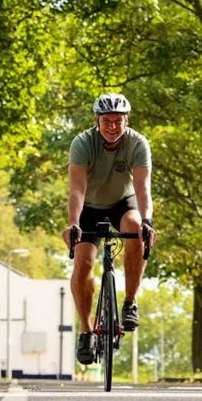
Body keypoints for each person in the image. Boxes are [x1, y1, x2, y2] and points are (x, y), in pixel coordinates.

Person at [63, 93, 158, 365]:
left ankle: (130, 302)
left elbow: (142, 188)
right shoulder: (82, 143)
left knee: (136, 228)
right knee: (83, 264)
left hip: (122, 202)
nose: (113, 126)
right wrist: (73, 223)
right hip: (89, 207)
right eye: (107, 121)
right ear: (97, 121)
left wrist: (148, 220)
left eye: (119, 120)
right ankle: (86, 330)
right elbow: (77, 190)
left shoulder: (137, 143)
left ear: (127, 120)